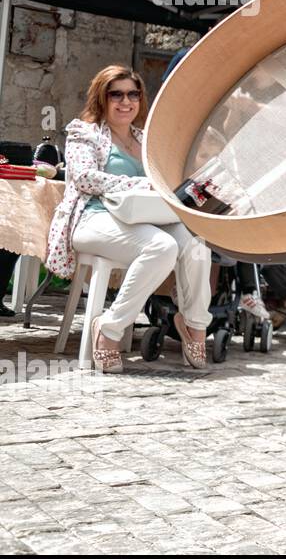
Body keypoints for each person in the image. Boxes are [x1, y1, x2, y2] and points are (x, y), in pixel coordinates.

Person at [45, 65, 212, 372]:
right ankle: (109, 329)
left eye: (133, 94)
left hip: (145, 219)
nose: (126, 102)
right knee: (162, 247)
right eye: (117, 94)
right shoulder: (84, 132)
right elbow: (82, 178)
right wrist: (139, 183)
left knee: (197, 244)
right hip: (94, 218)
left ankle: (194, 325)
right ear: (102, 98)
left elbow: (168, 178)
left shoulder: (147, 139)